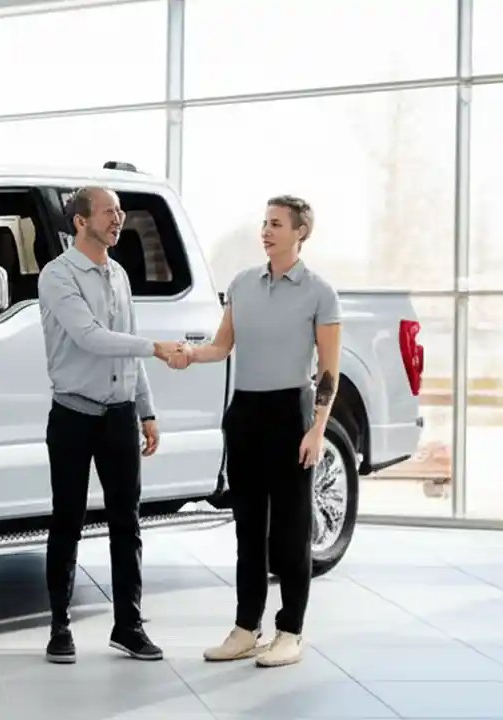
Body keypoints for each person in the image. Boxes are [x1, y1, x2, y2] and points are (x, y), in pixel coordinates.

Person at [168, 194, 341, 668]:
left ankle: (291, 631)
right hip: (245, 414)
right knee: (249, 531)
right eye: (265, 223)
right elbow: (222, 346)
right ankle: (247, 628)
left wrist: (316, 430)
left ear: (300, 232)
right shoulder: (242, 284)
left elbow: (329, 372)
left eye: (277, 224)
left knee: (290, 533)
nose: (266, 231)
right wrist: (188, 353)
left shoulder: (319, 293)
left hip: (292, 414)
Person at [37, 186, 183, 664]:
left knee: (128, 523)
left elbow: (125, 341)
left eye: (120, 212)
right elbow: (91, 338)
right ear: (81, 222)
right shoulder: (57, 276)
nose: (118, 219)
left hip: (119, 414)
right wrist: (156, 348)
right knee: (68, 522)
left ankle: (129, 626)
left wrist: (147, 409)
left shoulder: (118, 274)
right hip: (75, 415)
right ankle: (60, 627)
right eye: (108, 212)